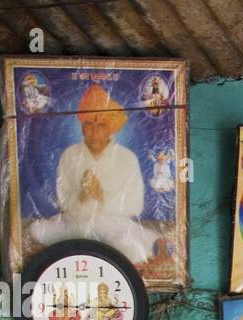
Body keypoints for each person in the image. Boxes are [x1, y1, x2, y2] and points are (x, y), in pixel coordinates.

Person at [28, 84, 158, 266]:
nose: (95, 130)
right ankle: (83, 249)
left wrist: (101, 196)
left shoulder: (127, 158)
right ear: (82, 126)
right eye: (89, 123)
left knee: (132, 249)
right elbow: (62, 201)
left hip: (114, 227)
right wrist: (81, 195)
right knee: (37, 230)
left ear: (111, 128)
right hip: (76, 225)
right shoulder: (70, 155)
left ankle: (85, 250)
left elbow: (135, 205)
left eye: (102, 125)